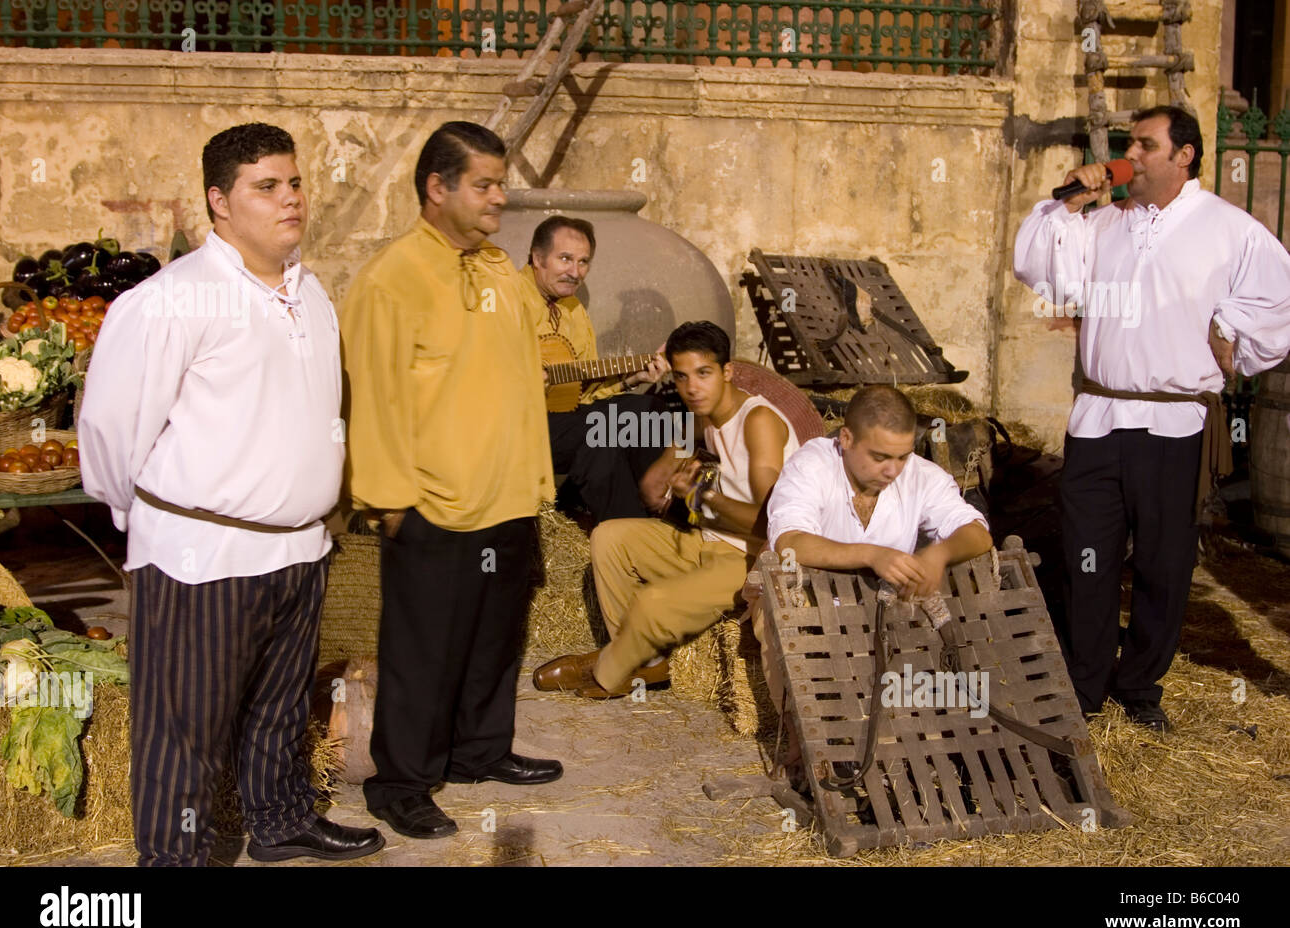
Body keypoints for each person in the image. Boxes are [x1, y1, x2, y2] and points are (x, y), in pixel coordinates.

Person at [79, 123, 383, 865]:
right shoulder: (169, 301)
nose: (291, 200)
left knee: (278, 712)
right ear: (219, 201)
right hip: (201, 554)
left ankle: (279, 823)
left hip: (299, 548)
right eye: (267, 187)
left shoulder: (310, 291)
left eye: (295, 183)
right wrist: (153, 519)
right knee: (185, 730)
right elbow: (111, 432)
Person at [1014, 105, 1290, 731]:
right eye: (1128, 144)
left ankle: (1139, 688)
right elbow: (1041, 271)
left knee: (1165, 565)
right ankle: (1084, 686)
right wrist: (1069, 205)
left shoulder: (1228, 229)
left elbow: (1279, 298)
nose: (1130, 155)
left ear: (1183, 154)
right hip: (1098, 417)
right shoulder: (1104, 221)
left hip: (1175, 426)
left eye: (1144, 144)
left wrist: (1234, 337)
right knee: (1088, 556)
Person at [340, 121, 563, 841]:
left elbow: (519, 382)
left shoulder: (499, 269)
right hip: (431, 505)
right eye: (484, 185)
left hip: (504, 497)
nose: (500, 198)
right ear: (437, 190)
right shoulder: (391, 280)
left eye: (502, 184)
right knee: (421, 654)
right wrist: (388, 500)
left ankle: (479, 751)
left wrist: (534, 480)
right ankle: (401, 783)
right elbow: (371, 394)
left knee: (495, 639)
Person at [533, 321, 799, 698]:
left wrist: (703, 498)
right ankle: (646, 665)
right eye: (682, 376)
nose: (691, 387)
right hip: (708, 540)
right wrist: (663, 470)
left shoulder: (759, 422)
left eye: (704, 373)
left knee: (652, 604)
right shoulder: (705, 413)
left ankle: (606, 672)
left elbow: (773, 524)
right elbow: (676, 451)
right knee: (610, 537)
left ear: (727, 372)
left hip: (749, 558)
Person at [763, 385, 992, 725]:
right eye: (880, 457)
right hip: (811, 596)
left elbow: (977, 533)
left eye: (902, 456)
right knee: (773, 612)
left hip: (880, 605)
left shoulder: (921, 476)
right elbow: (790, 542)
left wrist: (939, 555)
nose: (893, 471)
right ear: (846, 439)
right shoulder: (812, 464)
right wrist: (872, 554)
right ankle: (802, 737)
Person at [519, 215, 670, 522]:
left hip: (563, 417)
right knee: (601, 436)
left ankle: (656, 507)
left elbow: (581, 392)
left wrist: (631, 379)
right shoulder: (508, 297)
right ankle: (627, 534)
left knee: (650, 410)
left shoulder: (574, 309)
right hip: (518, 426)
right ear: (537, 257)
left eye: (583, 262)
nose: (575, 272)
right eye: (565, 259)